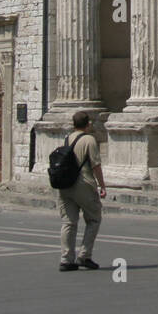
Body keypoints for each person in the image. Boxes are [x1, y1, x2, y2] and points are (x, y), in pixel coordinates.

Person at [57, 111, 106, 271]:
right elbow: (96, 165)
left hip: (65, 185)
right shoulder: (89, 140)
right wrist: (102, 185)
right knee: (94, 219)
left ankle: (66, 259)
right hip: (84, 185)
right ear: (88, 124)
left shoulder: (67, 138)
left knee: (68, 222)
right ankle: (84, 256)